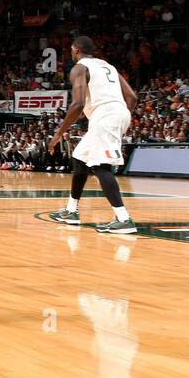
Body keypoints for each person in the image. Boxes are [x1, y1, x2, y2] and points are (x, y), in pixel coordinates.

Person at [48, 37, 139, 234]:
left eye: (71, 50)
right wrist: (121, 118)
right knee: (79, 159)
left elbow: (78, 104)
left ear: (76, 49)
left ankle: (124, 219)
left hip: (106, 116)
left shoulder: (80, 68)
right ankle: (71, 210)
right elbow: (132, 97)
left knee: (100, 166)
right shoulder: (108, 66)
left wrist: (58, 134)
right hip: (118, 113)